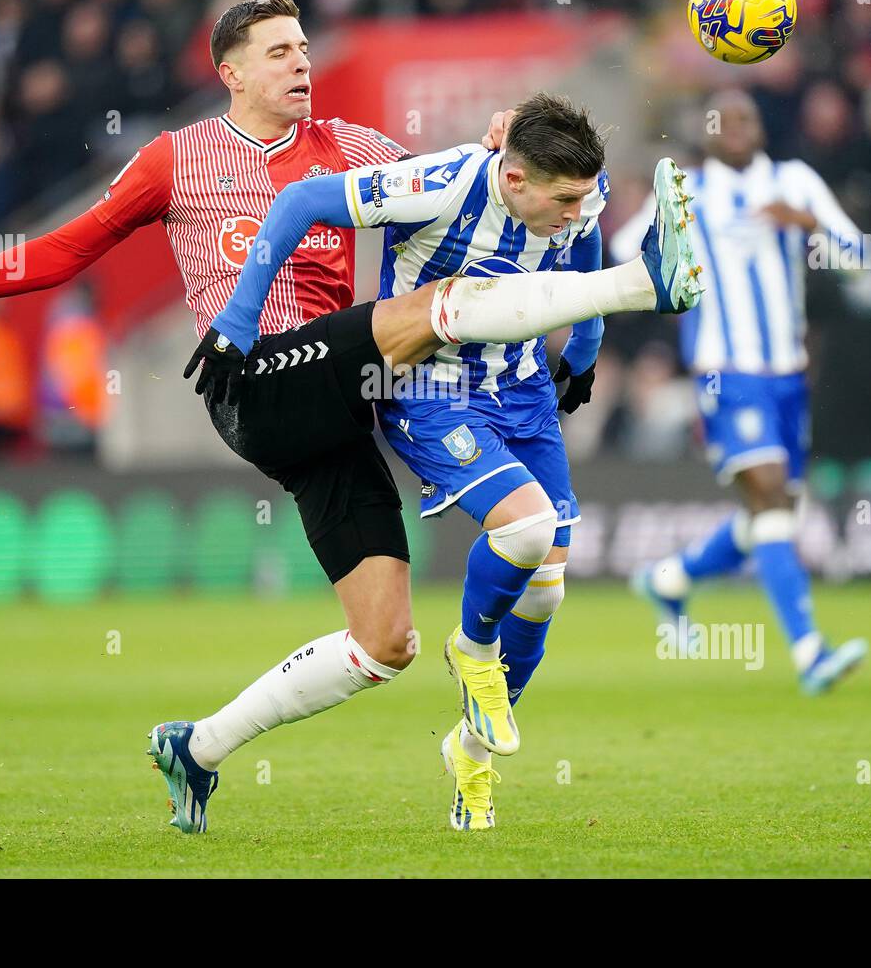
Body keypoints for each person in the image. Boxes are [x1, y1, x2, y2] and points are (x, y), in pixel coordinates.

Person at [0, 0, 698, 835]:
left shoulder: (349, 146)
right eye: (281, 51)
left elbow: (453, 192)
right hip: (250, 380)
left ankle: (197, 747)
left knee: (387, 641)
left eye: (305, 49)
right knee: (438, 304)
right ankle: (640, 283)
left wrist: (506, 142)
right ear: (231, 73)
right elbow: (65, 249)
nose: (302, 63)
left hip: (339, 400)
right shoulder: (175, 159)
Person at [206, 92, 703, 830]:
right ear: (513, 180)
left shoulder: (575, 195)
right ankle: (471, 650)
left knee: (545, 593)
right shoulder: (440, 184)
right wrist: (242, 314)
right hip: (432, 391)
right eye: (562, 199)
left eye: (583, 196)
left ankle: (469, 749)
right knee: (527, 530)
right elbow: (300, 199)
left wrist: (588, 349)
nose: (577, 211)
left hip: (524, 389)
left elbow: (585, 239)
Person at [612, 89, 868, 695]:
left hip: (787, 375)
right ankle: (810, 652)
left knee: (773, 514)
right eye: (722, 120)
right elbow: (625, 260)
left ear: (761, 126)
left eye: (746, 117)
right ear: (705, 131)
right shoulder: (682, 189)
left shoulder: (795, 181)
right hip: (726, 372)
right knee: (774, 501)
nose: (735, 128)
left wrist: (806, 225)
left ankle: (670, 578)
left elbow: (862, 258)